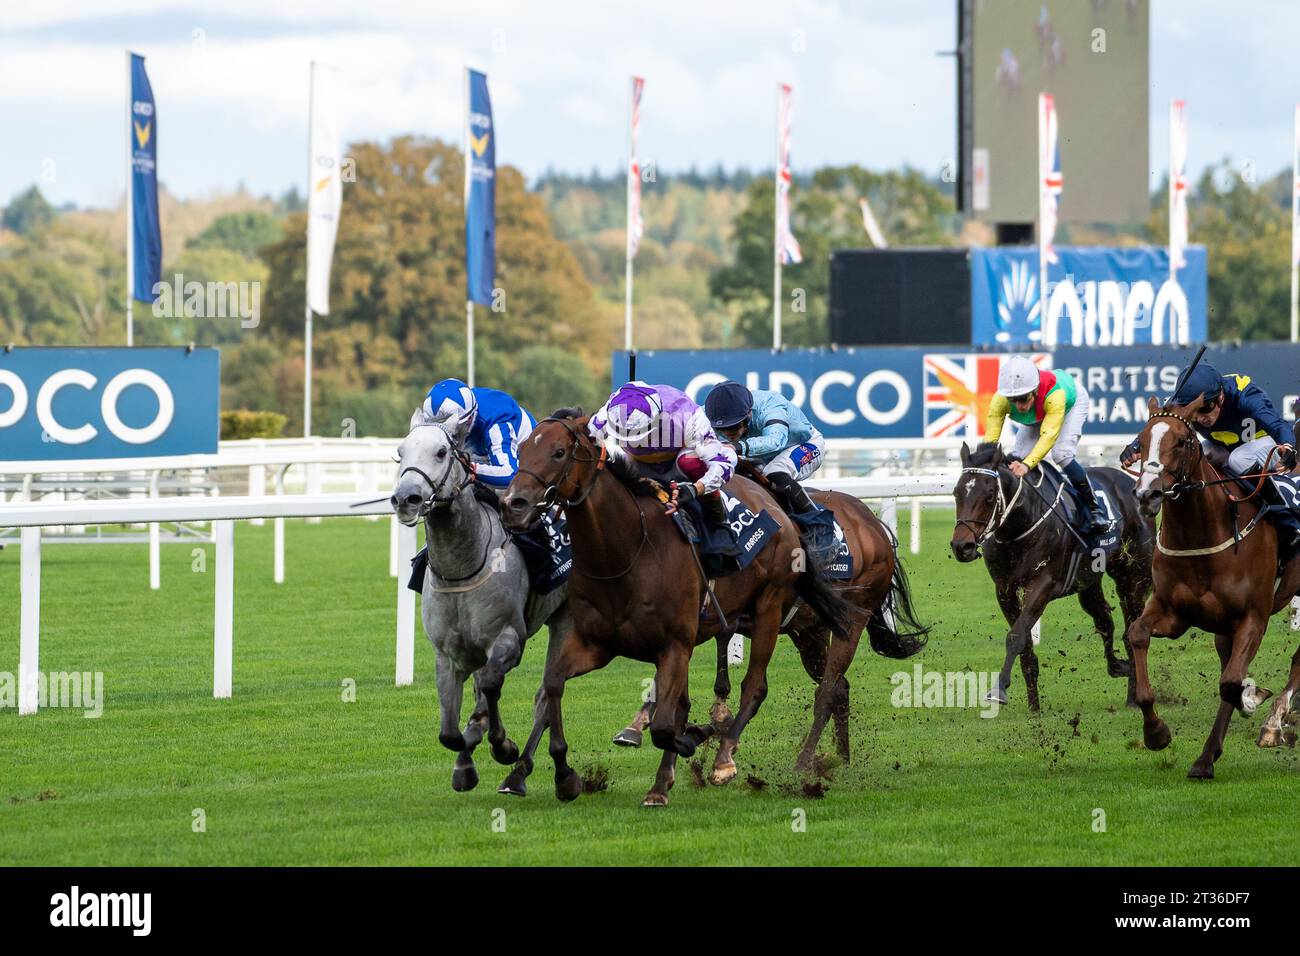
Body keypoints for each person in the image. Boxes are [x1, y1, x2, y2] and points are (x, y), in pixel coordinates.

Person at [1121, 363, 1298, 551]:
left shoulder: (1245, 395)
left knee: (1239, 458)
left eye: (1204, 409)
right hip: (1225, 448)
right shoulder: (1180, 401)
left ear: (1220, 397)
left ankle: (1287, 522)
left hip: (1264, 445)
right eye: (1194, 411)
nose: (1198, 418)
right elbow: (1160, 426)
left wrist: (1287, 447)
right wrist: (1133, 447)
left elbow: (1279, 425)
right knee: (1197, 454)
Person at [984, 355, 1108, 532]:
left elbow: (1048, 436)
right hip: (1040, 413)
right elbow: (991, 439)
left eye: (1024, 398)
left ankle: (1095, 508)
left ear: (1034, 391)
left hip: (1070, 404)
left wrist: (1027, 465)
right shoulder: (1000, 399)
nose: (1019, 406)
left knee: (1061, 454)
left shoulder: (1054, 395)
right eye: (1014, 400)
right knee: (1017, 458)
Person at [588, 381, 736, 524]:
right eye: (626, 437)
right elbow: (588, 438)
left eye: (640, 437)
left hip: (679, 459)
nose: (634, 444)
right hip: (638, 463)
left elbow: (724, 462)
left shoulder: (690, 417)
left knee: (690, 463)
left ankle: (717, 513)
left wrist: (695, 489)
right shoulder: (613, 410)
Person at [703, 380, 824, 516]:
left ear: (748, 414)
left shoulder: (770, 405)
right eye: (721, 429)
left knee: (775, 471)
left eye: (734, 426)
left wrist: (736, 447)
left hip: (803, 444)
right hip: (760, 455)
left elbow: (775, 441)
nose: (727, 433)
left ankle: (820, 524)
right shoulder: (703, 415)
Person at [415, 378, 535, 490]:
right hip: (481, 451)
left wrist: (470, 468)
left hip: (525, 455)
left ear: (469, 419)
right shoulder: (462, 408)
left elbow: (510, 474)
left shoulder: (496, 423)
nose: (451, 436)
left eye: (455, 430)